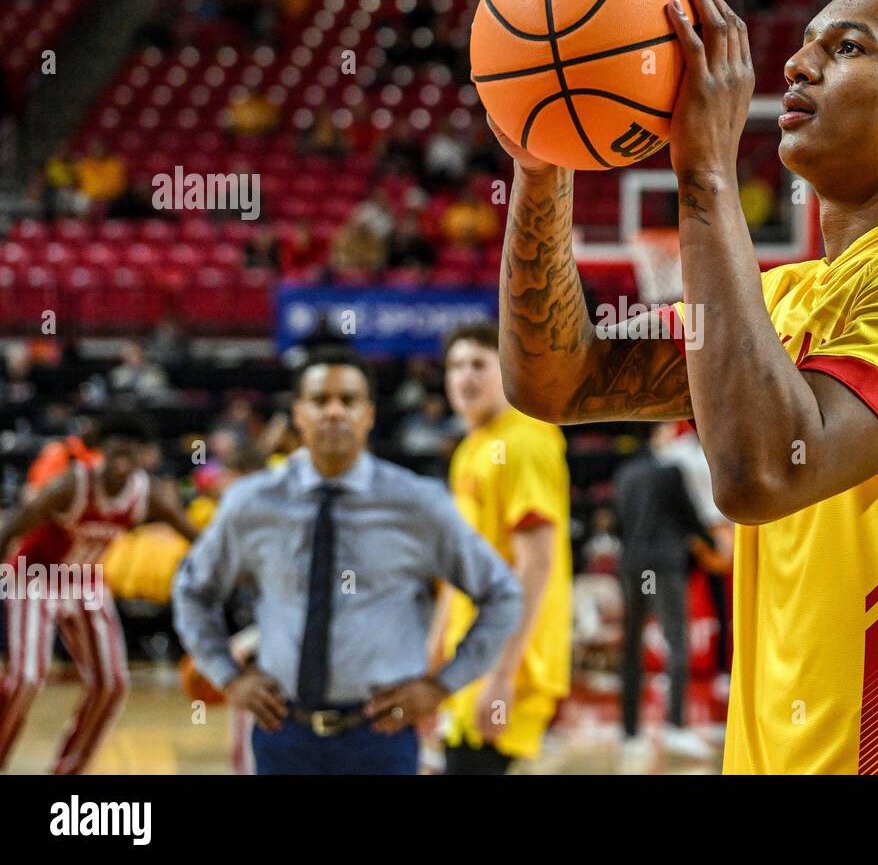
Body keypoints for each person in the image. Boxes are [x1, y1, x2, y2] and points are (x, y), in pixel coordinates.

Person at [492, 0, 878, 773]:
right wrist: (542, 166)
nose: (795, 65)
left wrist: (705, 177)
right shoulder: (780, 301)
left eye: (847, 46)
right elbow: (556, 379)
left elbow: (763, 476)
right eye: (803, 44)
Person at [172, 347, 523, 774]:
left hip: (380, 735)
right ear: (298, 414)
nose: (334, 412)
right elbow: (192, 589)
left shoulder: (416, 504)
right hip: (282, 731)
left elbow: (502, 593)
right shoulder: (253, 502)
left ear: (369, 414)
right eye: (320, 401)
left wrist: (441, 685)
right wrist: (227, 675)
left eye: (349, 400)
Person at [0, 410, 200, 774]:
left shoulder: (146, 495)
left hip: (85, 581)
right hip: (35, 575)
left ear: (142, 454)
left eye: (131, 451)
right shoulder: (70, 486)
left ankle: (69, 769)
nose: (122, 459)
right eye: (115, 450)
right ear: (101, 451)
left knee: (112, 683)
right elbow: (12, 527)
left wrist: (225, 566)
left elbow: (194, 537)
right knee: (26, 677)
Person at [432, 323, 571, 774]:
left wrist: (503, 675)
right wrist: (433, 653)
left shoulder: (526, 442)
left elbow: (536, 564)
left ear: (508, 369)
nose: (464, 377)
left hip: (510, 664)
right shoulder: (472, 448)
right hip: (470, 657)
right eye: (455, 366)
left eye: (478, 364)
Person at [613, 421, 714, 762]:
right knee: (676, 641)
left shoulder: (624, 474)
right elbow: (691, 518)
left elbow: (619, 524)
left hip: (632, 565)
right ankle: (675, 726)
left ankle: (629, 731)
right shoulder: (671, 471)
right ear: (658, 435)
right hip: (665, 566)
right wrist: (715, 544)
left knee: (631, 647)